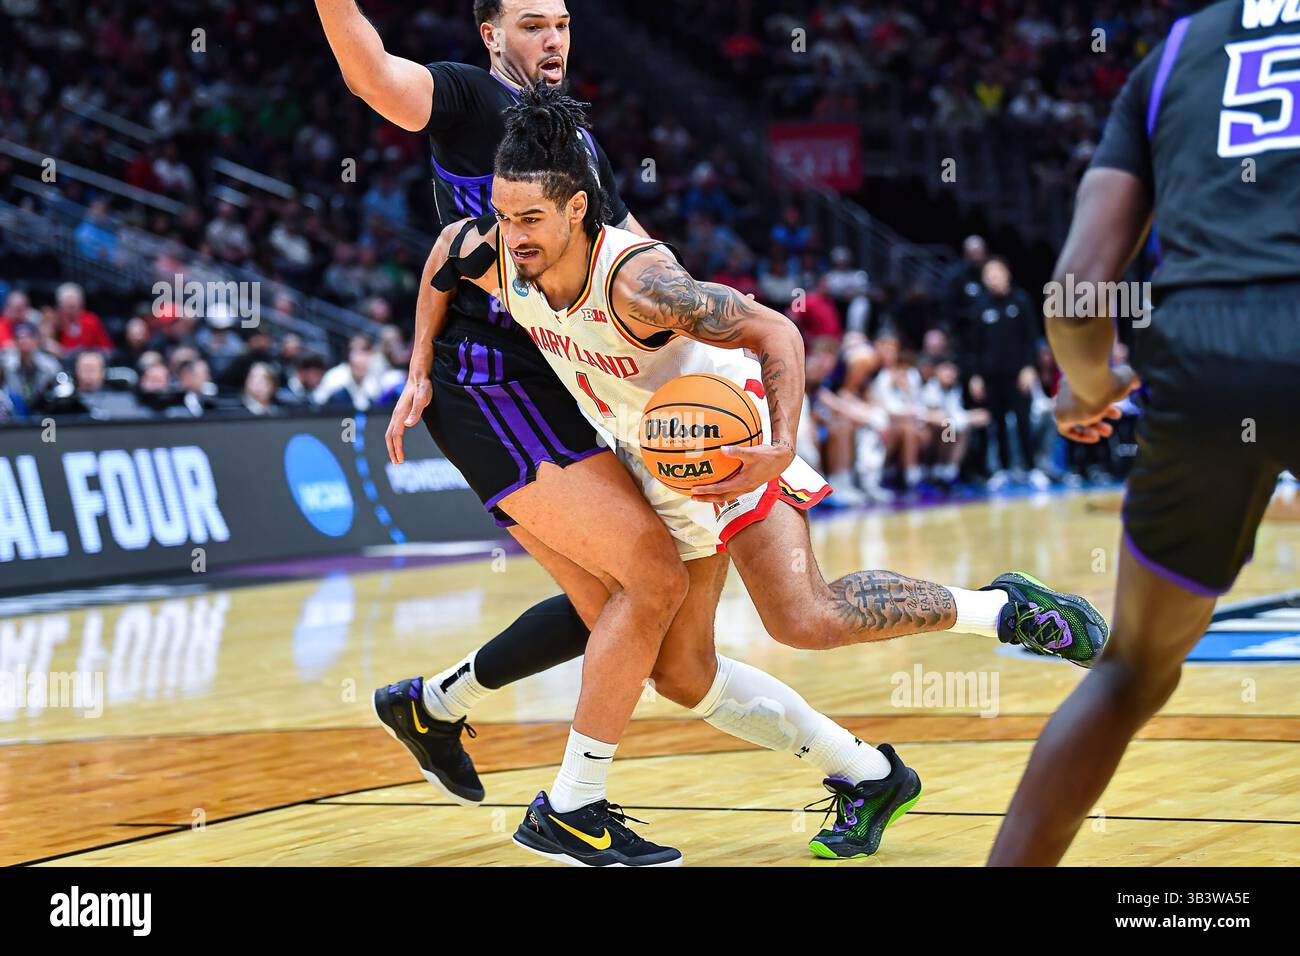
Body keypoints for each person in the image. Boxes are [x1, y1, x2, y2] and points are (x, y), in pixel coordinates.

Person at [410, 83, 1110, 865]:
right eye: (505, 216)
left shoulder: (641, 284)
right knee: (680, 675)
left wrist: (780, 445)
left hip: (725, 437)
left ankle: (999, 609)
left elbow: (776, 331)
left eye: (531, 219)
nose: (515, 235)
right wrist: (417, 374)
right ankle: (868, 776)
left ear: (578, 209)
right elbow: (442, 258)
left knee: (801, 618)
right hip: (649, 455)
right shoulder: (497, 250)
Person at [989, 0, 1300, 866]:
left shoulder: (1176, 56)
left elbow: (1080, 293)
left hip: (1202, 358)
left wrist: (1092, 387)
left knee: (1130, 670)